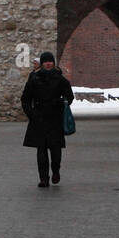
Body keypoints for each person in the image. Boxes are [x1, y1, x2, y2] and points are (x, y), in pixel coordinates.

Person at [21, 50, 74, 187]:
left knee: (56, 151)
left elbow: (70, 97)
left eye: (50, 61)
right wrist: (31, 114)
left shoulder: (61, 80)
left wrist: (61, 104)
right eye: (45, 61)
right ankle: (43, 178)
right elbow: (26, 99)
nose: (48, 64)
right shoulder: (34, 79)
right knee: (41, 151)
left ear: (53, 63)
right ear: (42, 63)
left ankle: (55, 171)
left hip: (55, 118)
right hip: (39, 118)